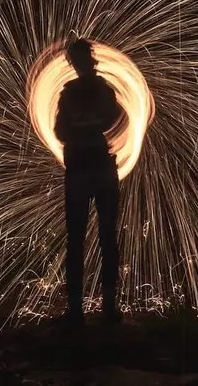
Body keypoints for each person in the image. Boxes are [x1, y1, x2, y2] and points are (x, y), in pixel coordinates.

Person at [54, 38, 123, 327]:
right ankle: (83, 307)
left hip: (91, 168)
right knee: (86, 239)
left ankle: (99, 306)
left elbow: (113, 117)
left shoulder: (92, 91)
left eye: (79, 59)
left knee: (99, 237)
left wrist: (80, 124)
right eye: (75, 59)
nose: (78, 64)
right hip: (87, 168)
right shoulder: (72, 93)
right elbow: (61, 130)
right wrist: (89, 123)